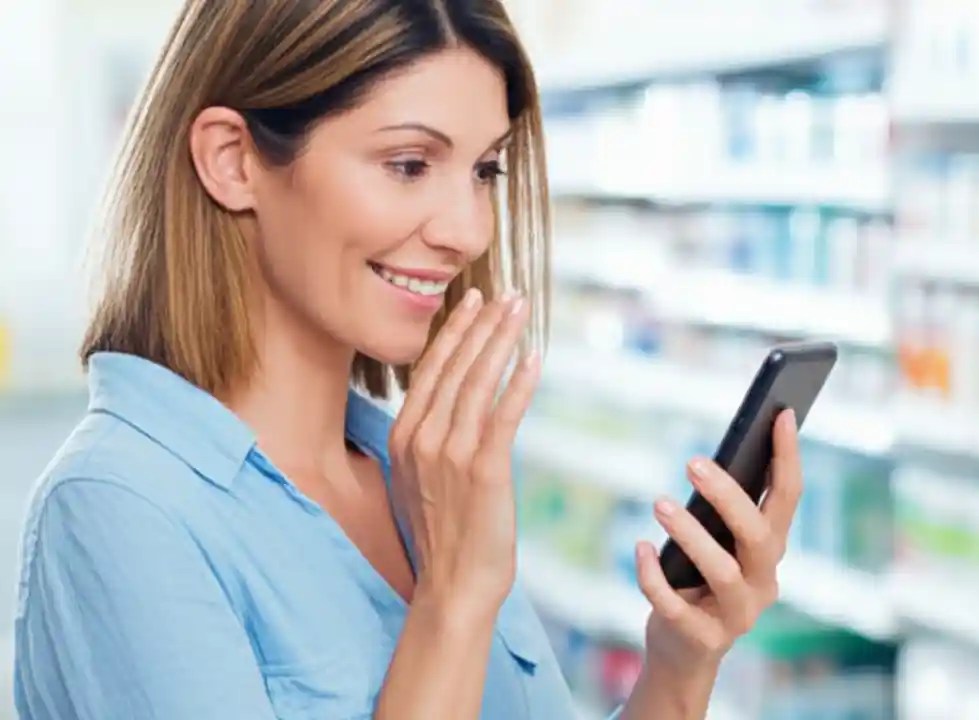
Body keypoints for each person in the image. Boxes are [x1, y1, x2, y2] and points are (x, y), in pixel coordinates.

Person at [12, 1, 805, 718]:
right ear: (233, 159)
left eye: (484, 171)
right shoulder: (121, 510)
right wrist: (453, 603)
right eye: (408, 165)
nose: (468, 230)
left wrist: (679, 664)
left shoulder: (414, 476)